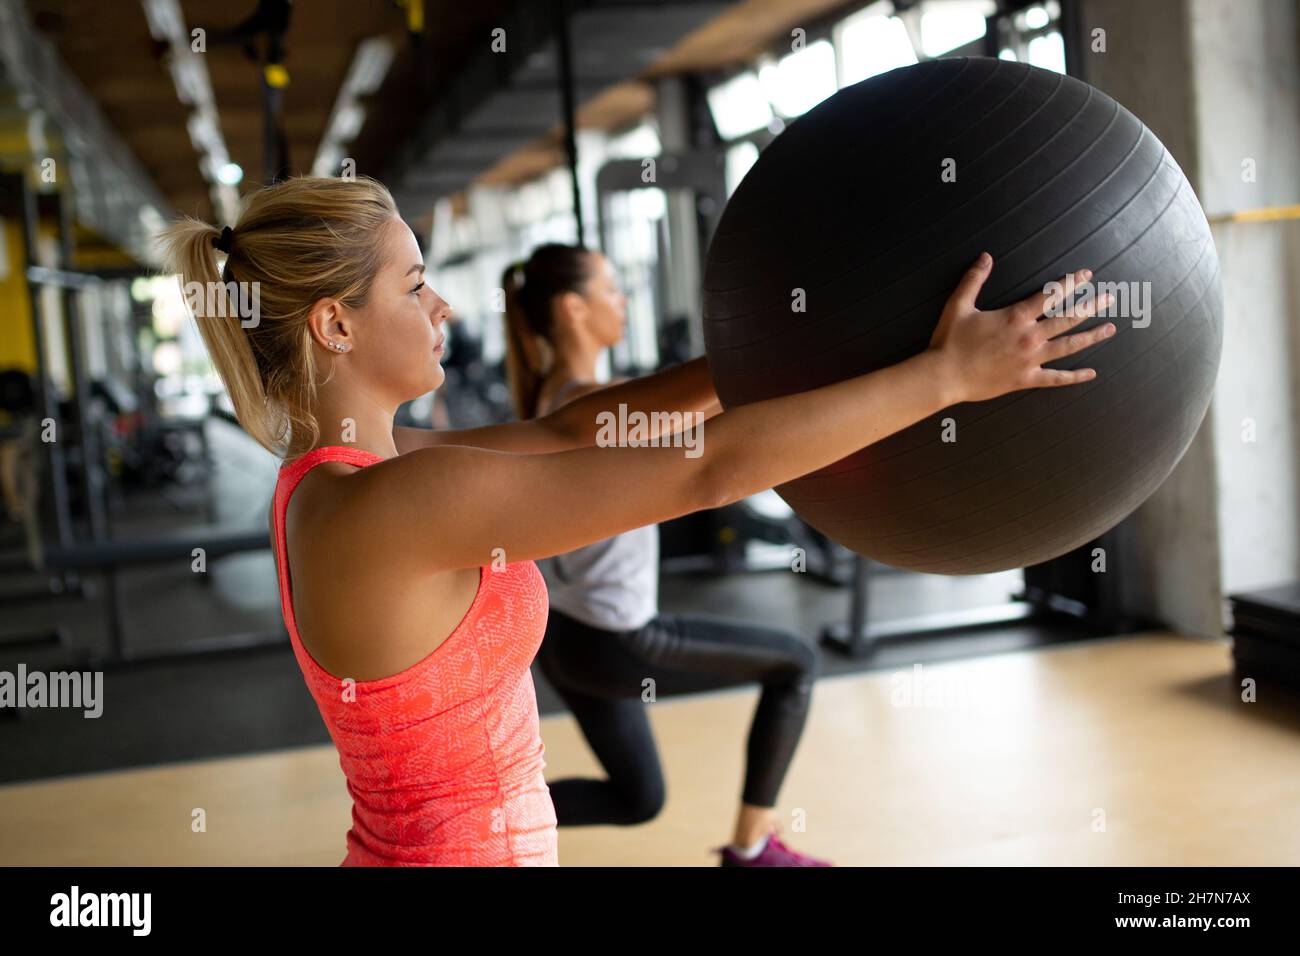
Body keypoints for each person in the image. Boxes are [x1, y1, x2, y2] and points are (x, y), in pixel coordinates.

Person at [159, 175, 1112, 866]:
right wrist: (949, 377)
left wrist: (776, 351)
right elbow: (707, 469)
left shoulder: (342, 480)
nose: (443, 305)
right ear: (334, 325)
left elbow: (578, 426)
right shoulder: (400, 501)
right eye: (413, 286)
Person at [502, 243, 828, 866]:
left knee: (637, 799)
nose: (623, 300)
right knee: (795, 663)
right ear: (573, 309)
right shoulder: (592, 403)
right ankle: (753, 850)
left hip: (565, 638)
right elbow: (714, 412)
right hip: (613, 638)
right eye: (611, 288)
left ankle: (475, 815)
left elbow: (704, 404)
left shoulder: (549, 394)